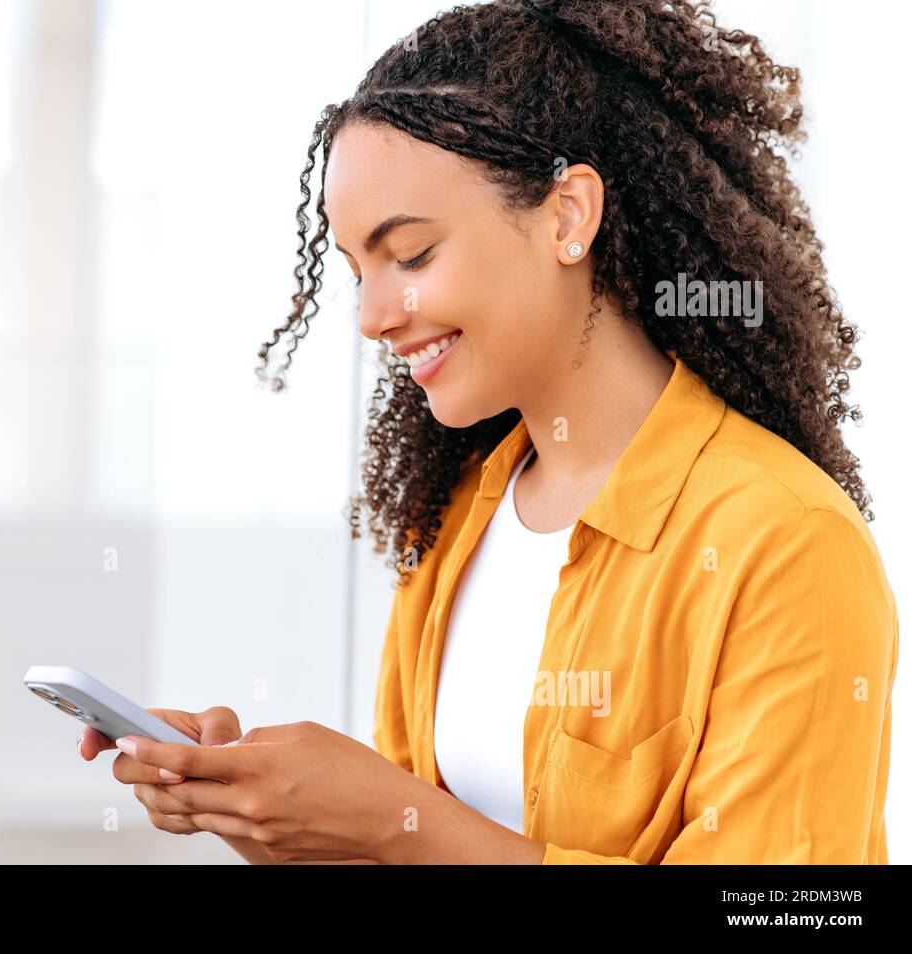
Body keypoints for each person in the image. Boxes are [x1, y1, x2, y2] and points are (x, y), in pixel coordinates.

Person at [78, 0, 898, 864]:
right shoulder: (458, 524)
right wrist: (278, 818)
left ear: (568, 216)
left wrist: (406, 827)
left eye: (414, 255)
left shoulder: (787, 543)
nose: (370, 317)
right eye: (358, 271)